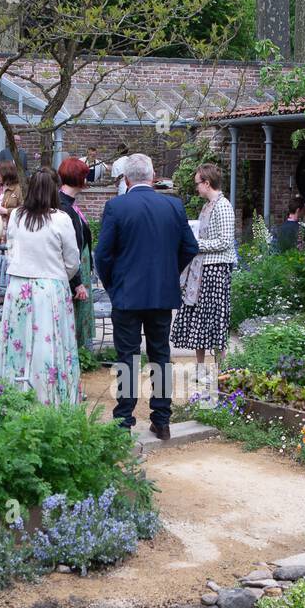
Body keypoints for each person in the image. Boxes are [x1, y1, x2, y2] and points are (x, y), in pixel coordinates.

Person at [94, 153, 198, 439]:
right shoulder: (173, 205)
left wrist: (112, 285)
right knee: (160, 355)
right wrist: (169, 272)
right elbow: (190, 247)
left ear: (126, 180)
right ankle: (162, 420)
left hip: (127, 293)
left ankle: (124, 420)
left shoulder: (117, 206)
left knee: (127, 356)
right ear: (153, 178)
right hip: (161, 293)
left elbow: (102, 255)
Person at [0, 167, 81, 405]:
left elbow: (11, 252)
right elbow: (72, 261)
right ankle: (50, 397)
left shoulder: (17, 216)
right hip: (50, 288)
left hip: (18, 287)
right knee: (47, 342)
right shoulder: (61, 219)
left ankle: (11, 393)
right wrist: (59, 275)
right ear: (54, 189)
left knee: (16, 342)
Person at [172, 163, 237, 387]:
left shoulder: (223, 206)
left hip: (217, 270)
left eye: (198, 183)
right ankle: (200, 369)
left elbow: (225, 241)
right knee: (199, 318)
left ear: (207, 183)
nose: (196, 188)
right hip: (202, 269)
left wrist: (196, 244)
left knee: (216, 319)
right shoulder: (208, 206)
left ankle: (222, 370)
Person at [56, 157, 95, 349]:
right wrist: (77, 282)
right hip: (72, 274)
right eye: (85, 176)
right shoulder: (64, 207)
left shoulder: (69, 204)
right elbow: (69, 250)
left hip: (77, 270)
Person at [0, 160, 23, 244]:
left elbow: (23, 210)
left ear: (6, 173)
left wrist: (6, 211)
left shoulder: (17, 189)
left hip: (10, 231)